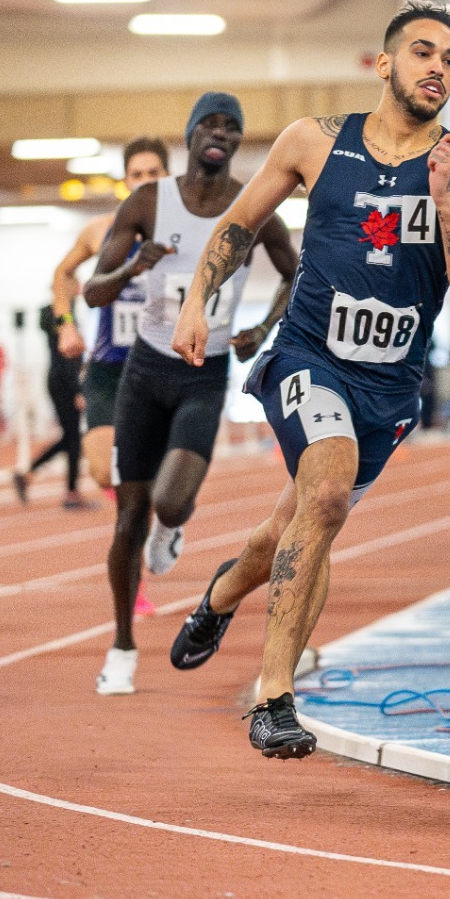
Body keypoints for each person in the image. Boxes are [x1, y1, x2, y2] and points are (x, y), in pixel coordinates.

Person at [164, 0, 450, 760]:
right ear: (384, 64)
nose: (438, 69)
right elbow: (240, 225)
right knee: (325, 492)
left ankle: (220, 595)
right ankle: (274, 696)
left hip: (389, 388)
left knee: (287, 530)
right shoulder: (315, 143)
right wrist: (195, 300)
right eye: (423, 52)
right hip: (310, 356)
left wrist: (448, 205)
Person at [81, 93, 298, 697]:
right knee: (128, 517)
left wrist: (263, 327)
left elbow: (295, 271)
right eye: (211, 122)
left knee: (171, 503)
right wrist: (132, 268)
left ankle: (171, 528)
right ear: (191, 132)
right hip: (145, 372)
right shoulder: (150, 201)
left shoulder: (253, 206)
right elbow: (94, 292)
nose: (220, 134)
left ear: (237, 143)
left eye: (233, 127)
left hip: (205, 374)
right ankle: (122, 646)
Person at [53, 136, 173, 492]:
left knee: (158, 476)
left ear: (167, 177)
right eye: (136, 174)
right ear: (125, 181)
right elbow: (63, 273)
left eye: (153, 172)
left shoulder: (184, 233)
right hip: (109, 368)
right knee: (104, 472)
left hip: (162, 366)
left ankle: (146, 528)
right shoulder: (101, 230)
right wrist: (66, 326)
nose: (145, 180)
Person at [15, 304, 92, 509]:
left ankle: (28, 474)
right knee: (73, 437)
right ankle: (71, 494)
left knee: (70, 437)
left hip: (59, 379)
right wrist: (78, 389)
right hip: (64, 381)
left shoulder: (59, 312)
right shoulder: (61, 312)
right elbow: (66, 354)